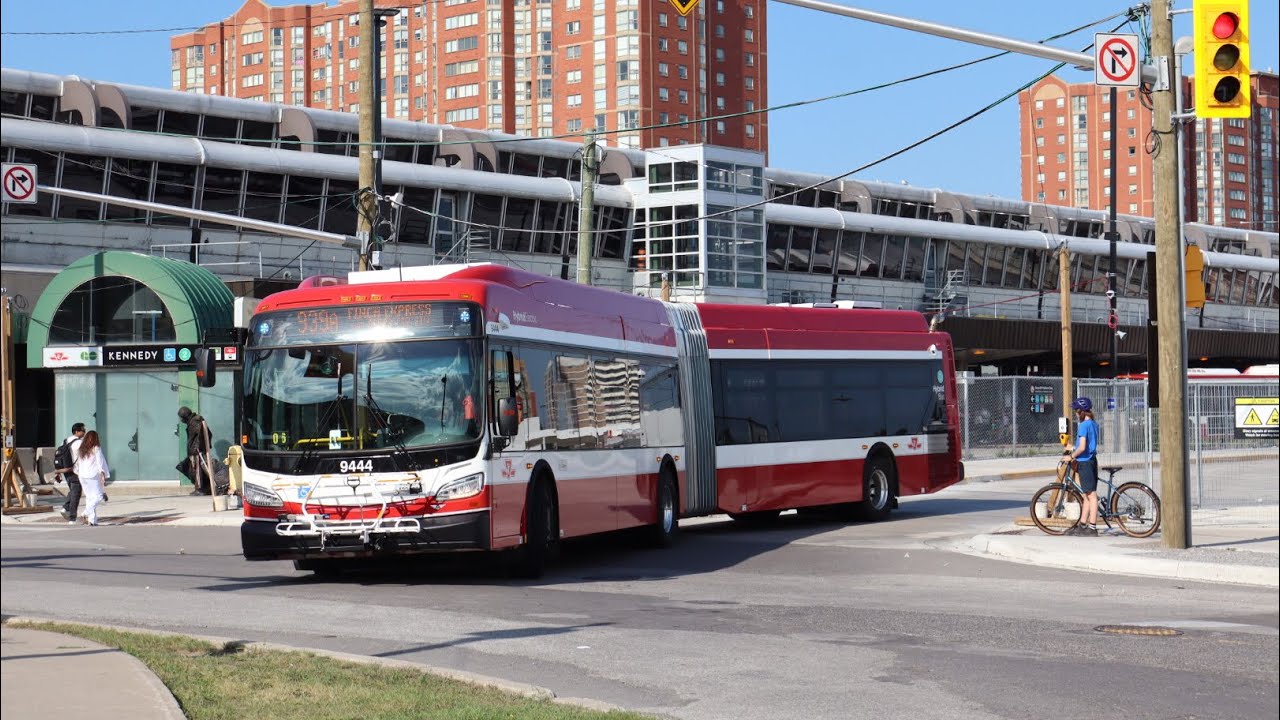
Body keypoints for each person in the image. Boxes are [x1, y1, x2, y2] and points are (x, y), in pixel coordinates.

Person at [1065, 397, 1100, 536]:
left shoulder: (1083, 426)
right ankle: (1083, 524)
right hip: (1092, 460)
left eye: (1076, 411)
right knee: (1086, 494)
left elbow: (1083, 447)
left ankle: (1092, 527)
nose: (1075, 414)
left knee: (1091, 495)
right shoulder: (1093, 424)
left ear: (1081, 412)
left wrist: (1071, 456)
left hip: (1085, 461)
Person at [72, 430, 111, 526]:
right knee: (98, 496)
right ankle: (85, 513)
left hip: (82, 475)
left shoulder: (82, 448)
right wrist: (102, 473)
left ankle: (92, 520)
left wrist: (77, 472)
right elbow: (99, 461)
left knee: (90, 497)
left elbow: (78, 463)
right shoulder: (96, 448)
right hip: (92, 475)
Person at [56, 422, 87, 524]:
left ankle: (65, 508)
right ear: (77, 432)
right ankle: (72, 518)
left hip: (66, 471)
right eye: (83, 430)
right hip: (75, 471)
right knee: (76, 494)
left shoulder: (65, 441)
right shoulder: (79, 443)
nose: (84, 432)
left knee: (73, 491)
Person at [178, 406, 212, 495]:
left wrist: (197, 448)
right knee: (195, 469)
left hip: (196, 451)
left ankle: (200, 489)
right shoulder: (194, 421)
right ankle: (204, 488)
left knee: (197, 470)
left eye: (181, 418)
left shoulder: (195, 421)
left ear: (185, 416)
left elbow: (200, 435)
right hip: (195, 450)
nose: (181, 420)